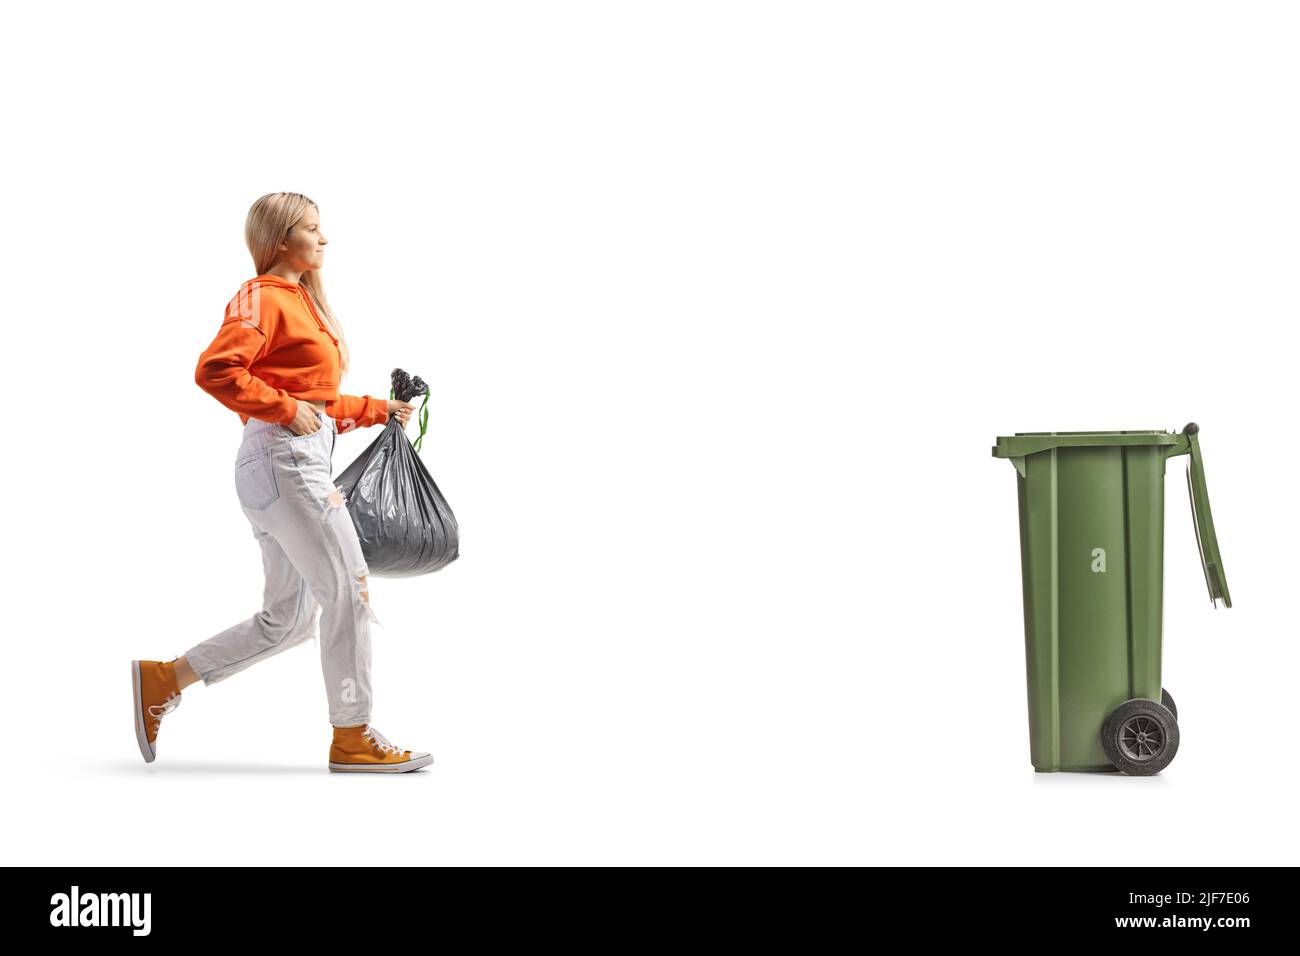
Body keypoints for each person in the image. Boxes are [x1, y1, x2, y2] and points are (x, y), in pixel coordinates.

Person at [131, 192, 432, 773]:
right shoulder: (264, 296)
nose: (324, 239)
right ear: (278, 238)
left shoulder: (300, 302)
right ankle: (352, 736)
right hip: (285, 462)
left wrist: (378, 410)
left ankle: (164, 678)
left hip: (289, 462)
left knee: (288, 620)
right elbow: (216, 371)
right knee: (348, 587)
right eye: (311, 228)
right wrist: (285, 410)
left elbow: (316, 400)